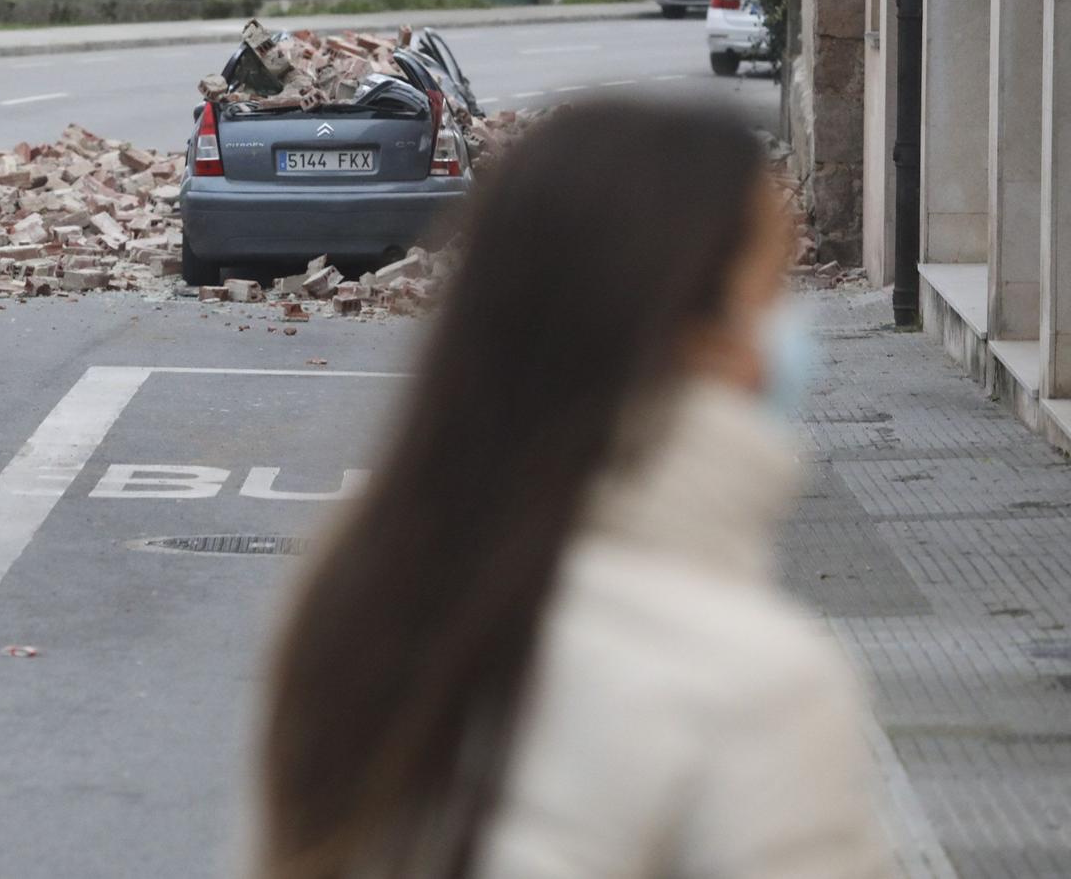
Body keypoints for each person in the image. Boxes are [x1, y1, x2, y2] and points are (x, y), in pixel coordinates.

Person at [257, 99, 894, 879]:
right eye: (776, 290)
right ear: (699, 334)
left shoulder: (355, 588)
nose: (793, 329)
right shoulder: (761, 687)